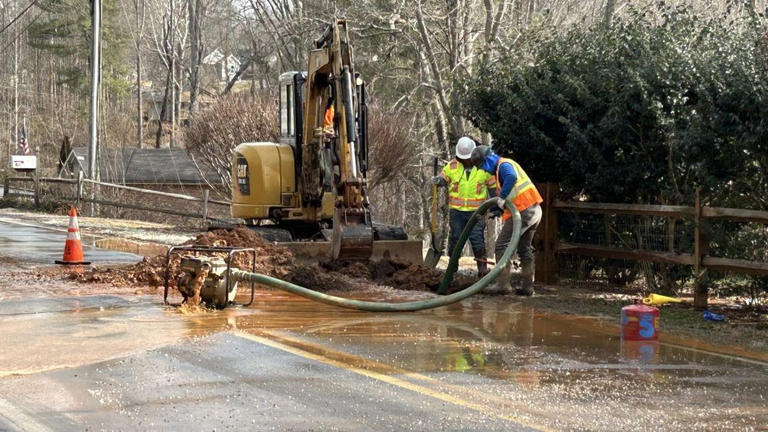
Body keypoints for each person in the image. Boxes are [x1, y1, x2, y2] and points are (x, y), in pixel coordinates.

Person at [470, 145, 542, 296]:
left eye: (482, 166)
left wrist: (501, 198)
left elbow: (511, 178)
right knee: (524, 248)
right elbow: (513, 192)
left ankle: (503, 285)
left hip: (523, 212)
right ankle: (528, 287)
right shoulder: (502, 168)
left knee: (501, 245)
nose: (483, 170)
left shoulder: (504, 166)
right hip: (534, 210)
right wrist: (498, 208)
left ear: (488, 159)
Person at [432, 137, 497, 278]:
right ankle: (452, 267)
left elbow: (492, 187)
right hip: (457, 211)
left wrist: (494, 205)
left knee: (477, 239)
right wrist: (439, 181)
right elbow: (444, 179)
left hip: (477, 212)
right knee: (455, 238)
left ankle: (482, 270)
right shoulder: (452, 166)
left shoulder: (483, 168)